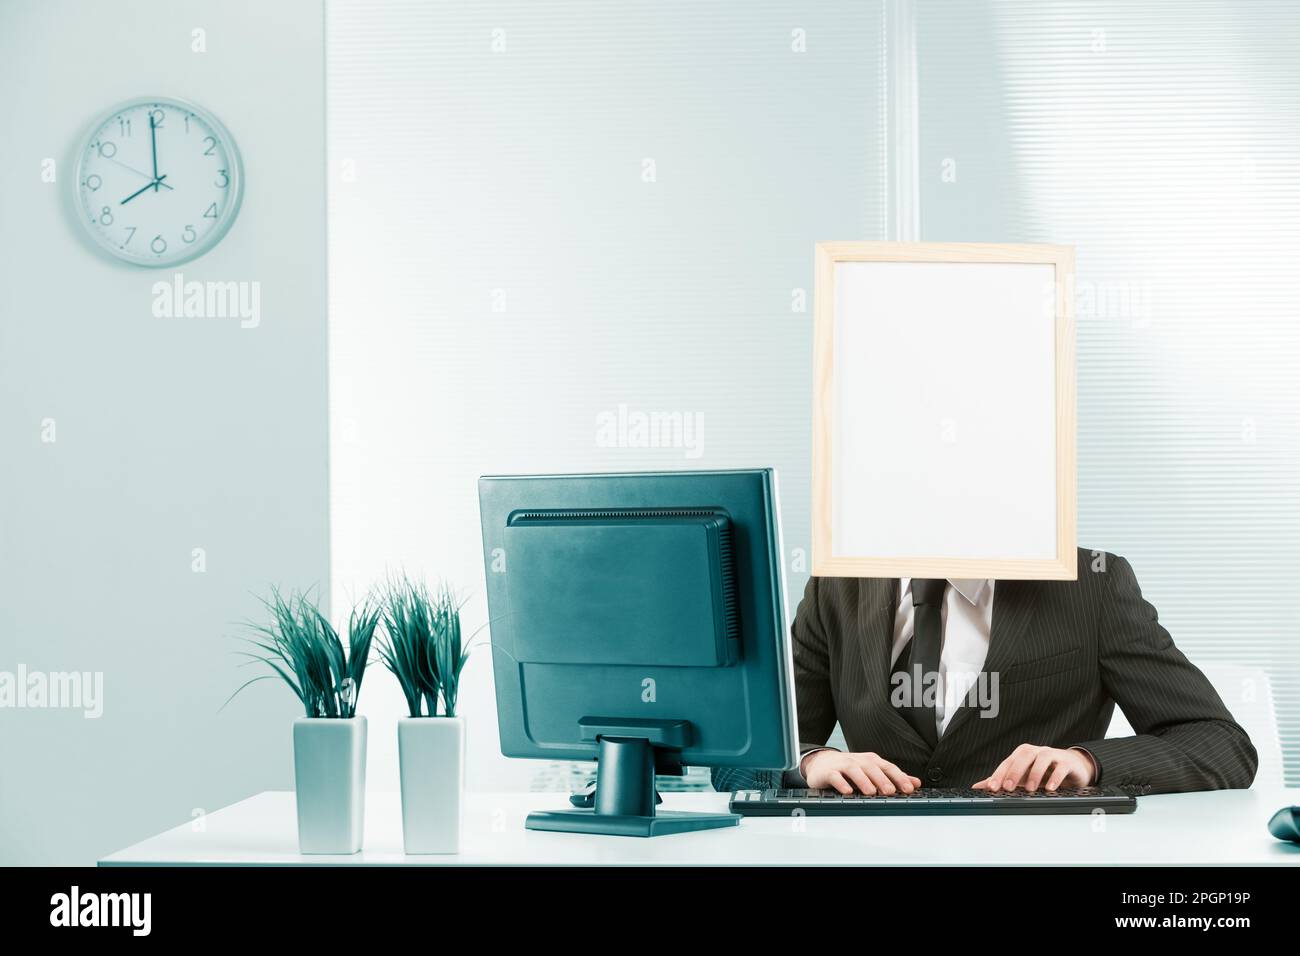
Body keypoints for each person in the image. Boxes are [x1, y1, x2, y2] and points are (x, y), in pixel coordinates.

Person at [729, 549, 1257, 796]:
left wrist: (1085, 762)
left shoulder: (1093, 584)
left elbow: (1221, 744)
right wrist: (808, 763)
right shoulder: (836, 587)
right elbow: (738, 757)